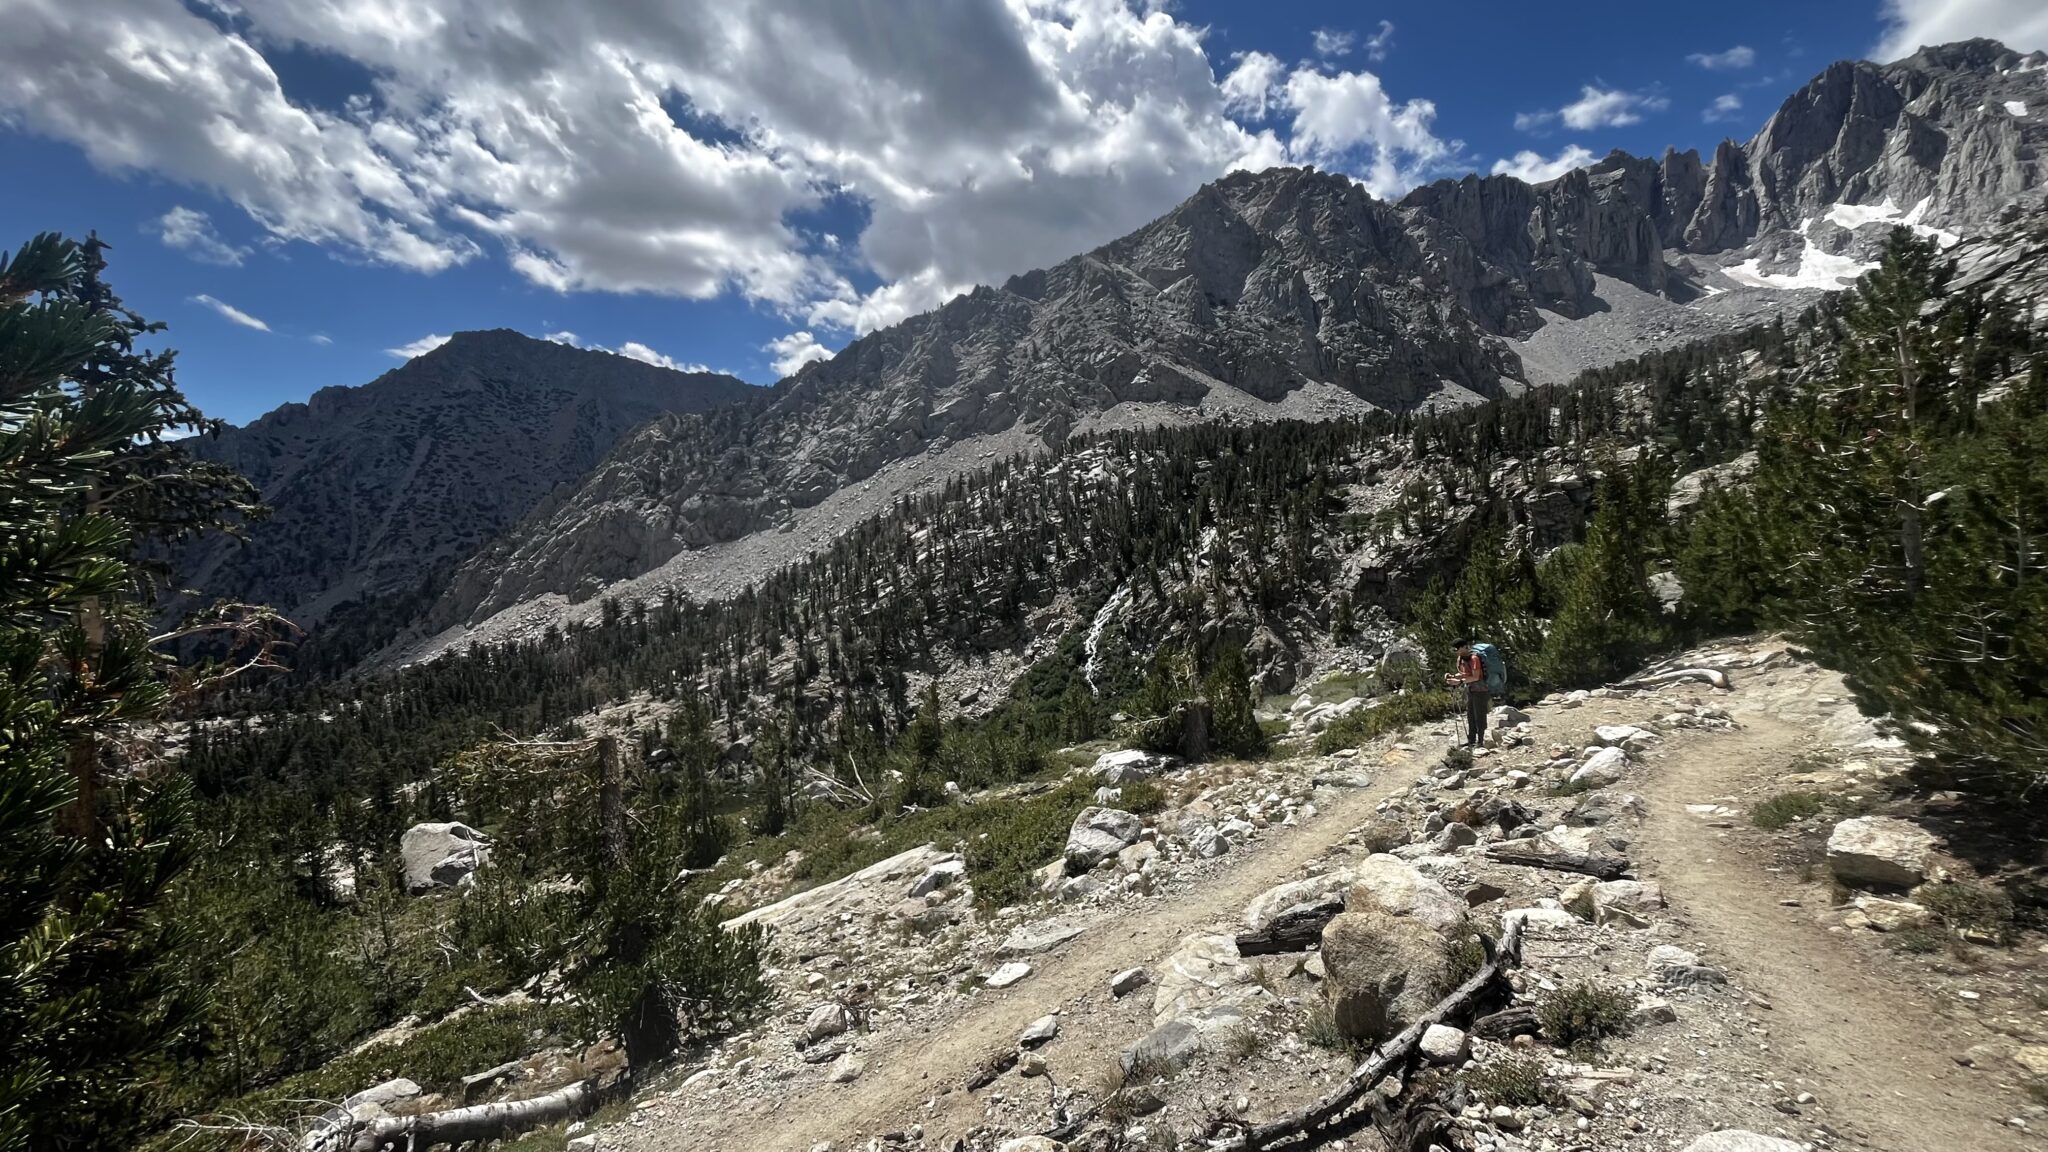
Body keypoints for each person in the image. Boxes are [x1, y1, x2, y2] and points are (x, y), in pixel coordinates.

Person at [1444, 637, 1490, 748]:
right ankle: (1472, 740)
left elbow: (1475, 676)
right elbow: (1465, 674)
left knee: (1479, 716)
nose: (1456, 652)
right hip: (1471, 690)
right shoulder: (1461, 659)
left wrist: (1459, 681)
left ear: (1464, 647)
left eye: (1457, 649)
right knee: (1470, 716)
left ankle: (1481, 741)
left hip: (1481, 691)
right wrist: (1453, 677)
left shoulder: (1474, 658)